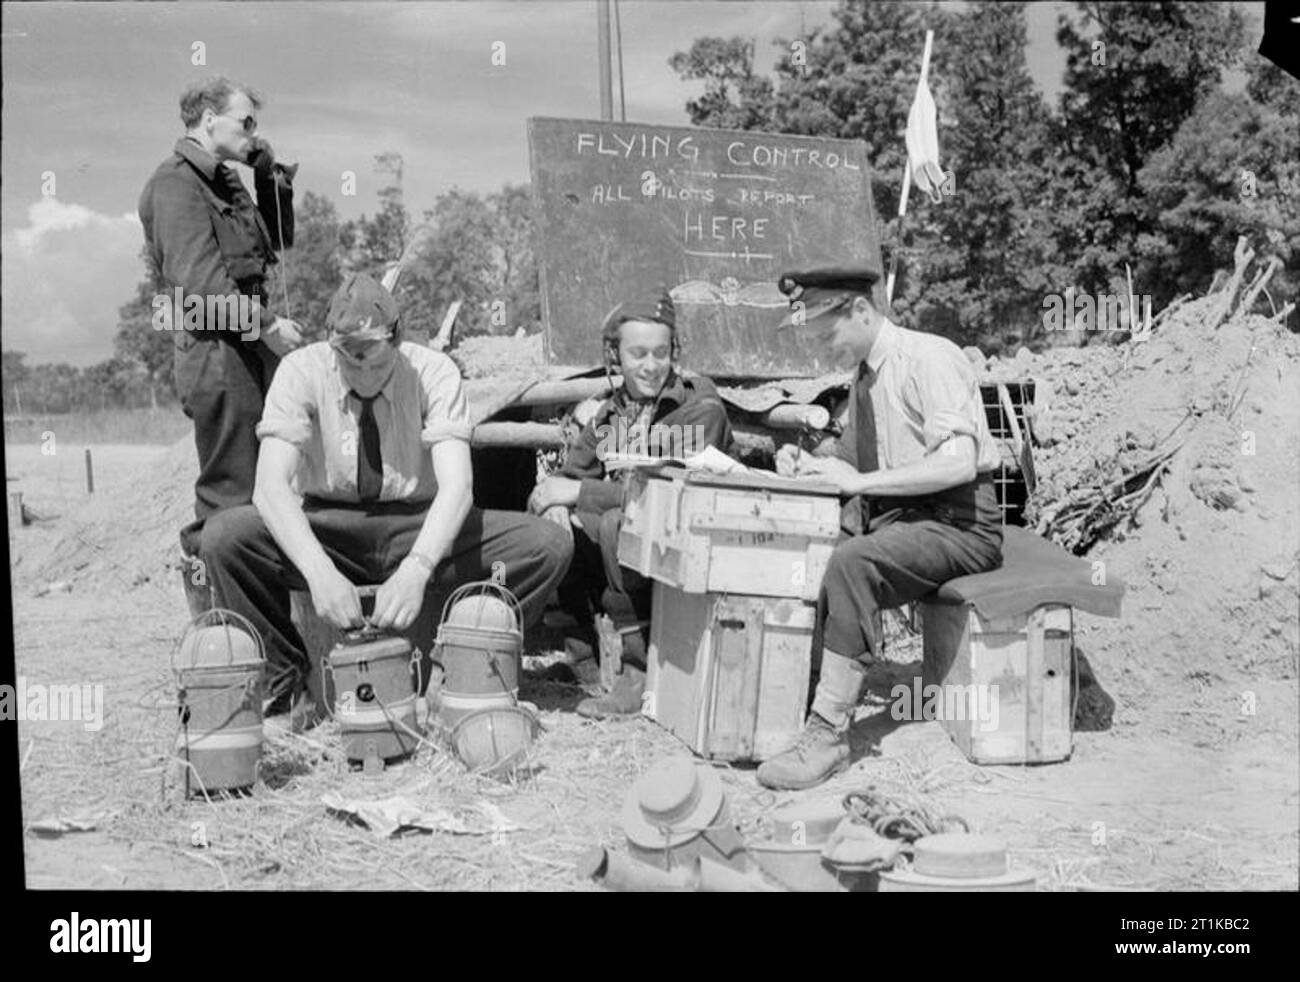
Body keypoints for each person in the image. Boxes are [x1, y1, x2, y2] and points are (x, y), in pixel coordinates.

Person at [202, 272, 573, 717]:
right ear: (330, 345)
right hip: (329, 527)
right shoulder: (300, 369)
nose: (363, 374)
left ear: (398, 343)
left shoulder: (433, 371)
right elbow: (270, 487)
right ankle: (287, 688)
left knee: (546, 545)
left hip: (417, 522)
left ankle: (452, 673)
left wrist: (417, 569)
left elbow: (457, 488)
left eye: (376, 362)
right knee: (226, 536)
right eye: (350, 361)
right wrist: (319, 573)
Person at [757, 267, 1004, 790]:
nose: (823, 348)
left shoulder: (929, 358)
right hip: (906, 518)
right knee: (818, 549)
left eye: (828, 334)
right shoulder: (865, 376)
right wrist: (811, 464)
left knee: (853, 564)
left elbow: (958, 464)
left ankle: (826, 737)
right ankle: (800, 695)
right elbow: (852, 462)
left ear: (863, 312)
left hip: (958, 522)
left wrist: (862, 480)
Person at [527, 287, 732, 718]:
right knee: (557, 525)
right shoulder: (613, 413)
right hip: (624, 550)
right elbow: (569, 477)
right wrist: (559, 502)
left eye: (661, 353)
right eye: (638, 354)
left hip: (684, 551)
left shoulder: (699, 406)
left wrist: (581, 494)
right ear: (616, 355)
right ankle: (583, 657)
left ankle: (637, 674)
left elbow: (669, 493)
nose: (651, 366)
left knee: (618, 521)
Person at [139, 76, 304, 565]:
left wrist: (269, 175)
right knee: (230, 494)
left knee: (268, 484)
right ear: (210, 119)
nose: (255, 132)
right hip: (215, 349)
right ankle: (224, 627)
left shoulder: (224, 182)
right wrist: (269, 327)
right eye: (246, 122)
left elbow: (276, 241)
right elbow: (200, 287)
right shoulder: (175, 183)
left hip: (244, 342)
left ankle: (258, 608)